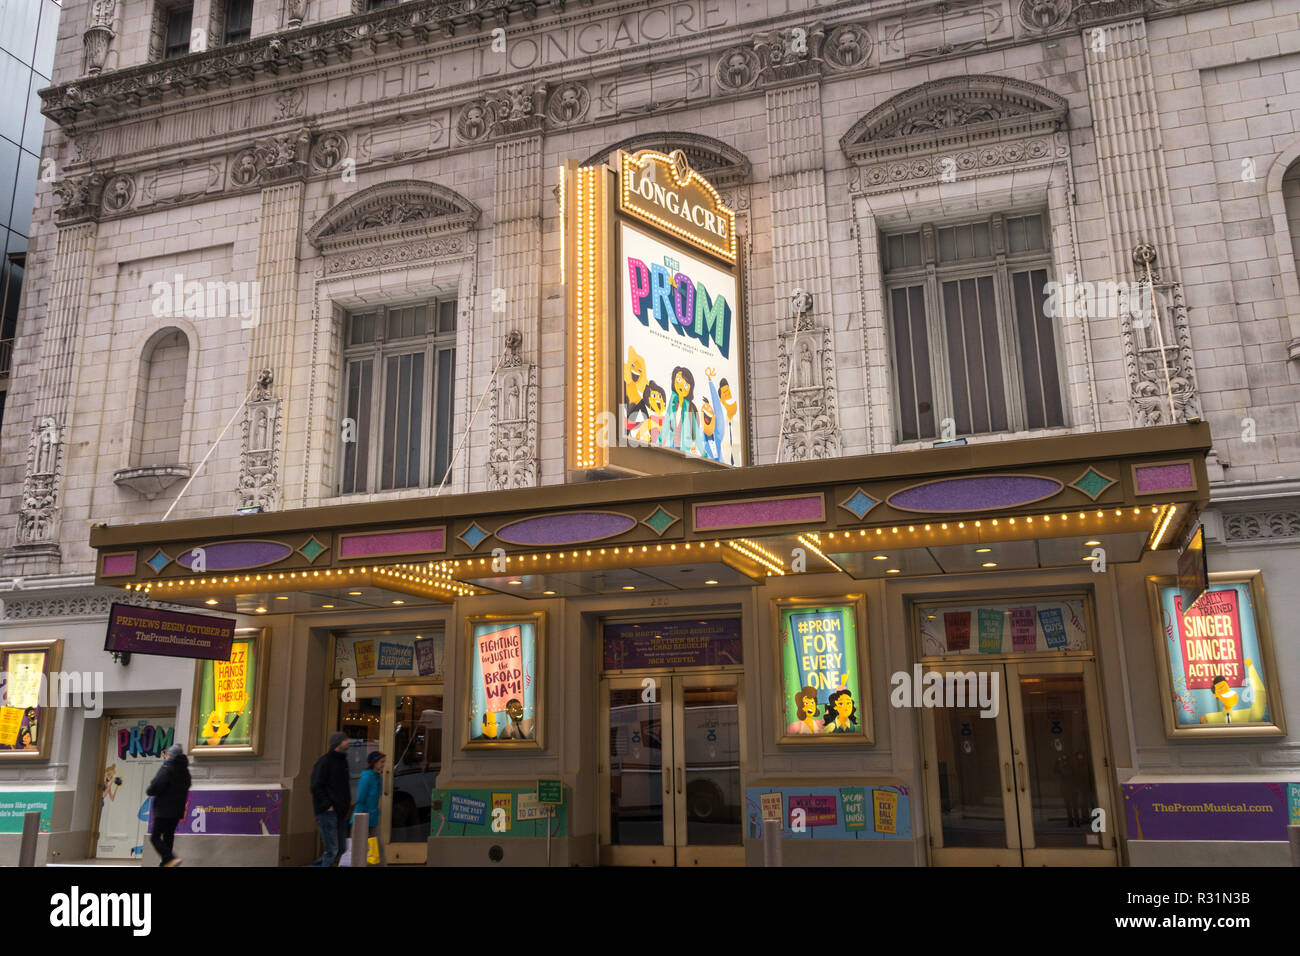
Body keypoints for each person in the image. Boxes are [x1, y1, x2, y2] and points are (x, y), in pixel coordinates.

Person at [309, 732, 351, 866]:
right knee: (332, 850)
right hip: (328, 812)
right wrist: (328, 805)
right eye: (345, 739)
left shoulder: (342, 761)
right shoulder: (325, 761)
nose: (348, 741)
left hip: (340, 811)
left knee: (340, 849)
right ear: (337, 743)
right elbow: (316, 785)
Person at [146, 743, 191, 867]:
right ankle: (166, 863)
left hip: (163, 810)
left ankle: (169, 858)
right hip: (177, 811)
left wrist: (150, 790)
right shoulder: (185, 771)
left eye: (168, 754)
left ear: (171, 755)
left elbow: (156, 785)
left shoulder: (167, 767)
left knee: (155, 837)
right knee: (168, 836)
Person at [351, 751, 386, 866]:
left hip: (373, 816)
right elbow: (361, 798)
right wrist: (359, 818)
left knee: (376, 846)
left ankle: (378, 865)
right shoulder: (367, 777)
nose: (383, 764)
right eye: (381, 762)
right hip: (363, 816)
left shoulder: (378, 777)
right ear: (374, 762)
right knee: (366, 847)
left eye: (384, 762)